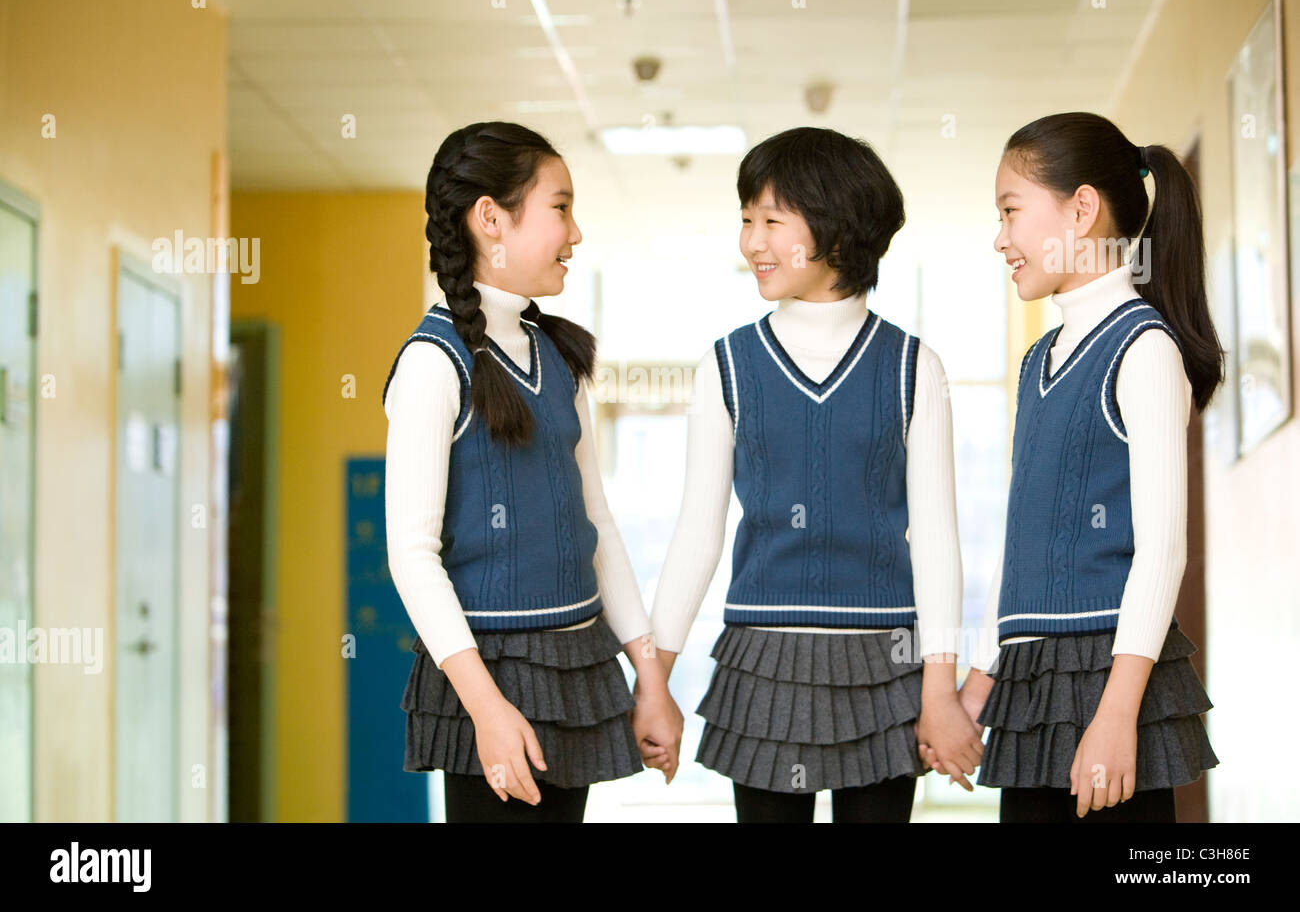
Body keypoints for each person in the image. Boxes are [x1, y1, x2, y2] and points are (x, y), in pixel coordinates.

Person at [649, 126, 981, 823]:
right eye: (746, 219)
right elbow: (696, 537)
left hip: (888, 666)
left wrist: (940, 686)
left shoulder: (914, 367)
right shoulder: (727, 366)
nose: (751, 241)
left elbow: (939, 542)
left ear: (834, 229)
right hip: (762, 665)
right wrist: (656, 675)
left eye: (771, 219)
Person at [925, 112, 1221, 822]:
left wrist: (1118, 716)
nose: (1000, 239)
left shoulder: (1144, 349)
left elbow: (1162, 552)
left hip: (1111, 681)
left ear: (1081, 209)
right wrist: (979, 682)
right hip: (1032, 687)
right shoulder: (1036, 362)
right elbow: (1023, 540)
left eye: (1010, 212)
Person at [383, 121, 682, 822]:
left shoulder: (560, 357)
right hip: (486, 678)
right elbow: (410, 555)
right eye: (560, 208)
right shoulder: (434, 363)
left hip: (575, 664)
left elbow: (595, 524)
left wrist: (650, 678)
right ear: (491, 218)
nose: (575, 233)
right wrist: (485, 708)